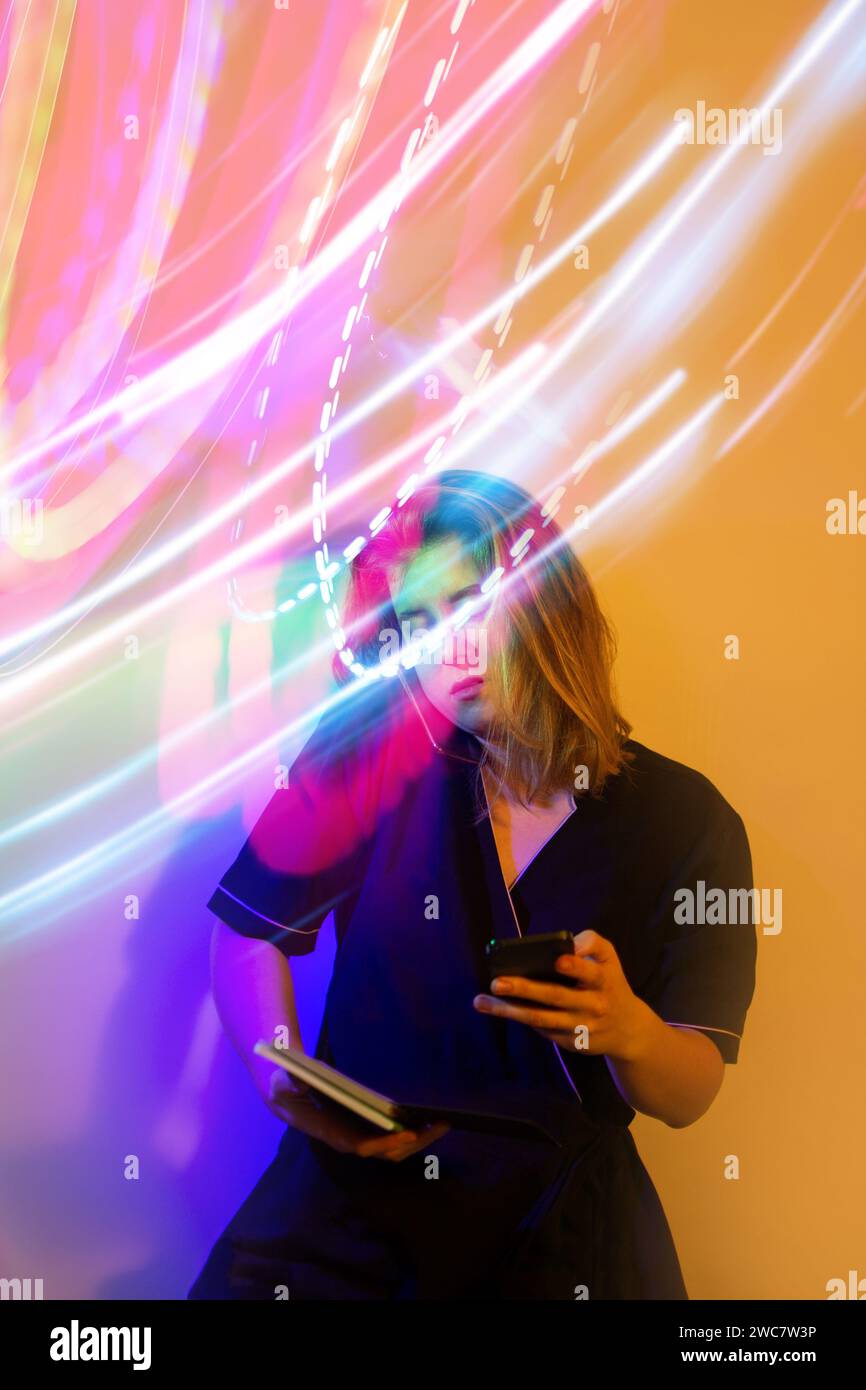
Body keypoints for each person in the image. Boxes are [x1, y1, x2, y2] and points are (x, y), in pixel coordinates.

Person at [187, 469, 757, 1300]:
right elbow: (247, 932)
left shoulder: (685, 821)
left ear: (545, 598)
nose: (442, 648)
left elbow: (691, 1089)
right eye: (418, 622)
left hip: (555, 1233)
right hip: (349, 1208)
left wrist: (629, 1029)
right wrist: (280, 1072)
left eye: (468, 605)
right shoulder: (370, 760)